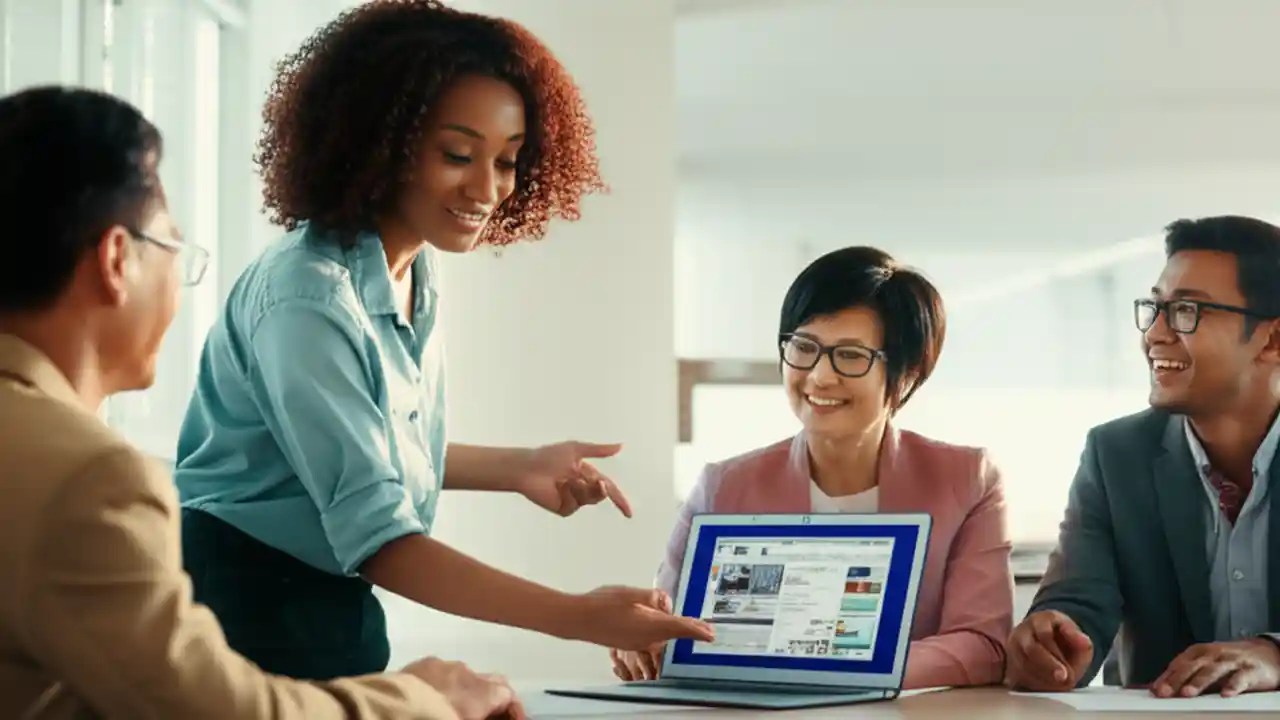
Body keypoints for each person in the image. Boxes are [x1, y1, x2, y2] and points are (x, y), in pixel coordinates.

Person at [173, 0, 712, 680]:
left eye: (509, 160)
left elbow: (364, 449)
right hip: (239, 607)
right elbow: (380, 539)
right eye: (458, 154)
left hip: (324, 602)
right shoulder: (306, 299)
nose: (487, 189)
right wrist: (578, 615)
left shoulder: (410, 270)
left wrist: (518, 467)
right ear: (380, 141)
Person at [0, 85, 529, 720]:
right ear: (116, 259)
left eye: (507, 160)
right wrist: (425, 697)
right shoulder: (89, 480)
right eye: (172, 248)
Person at [610, 246, 1015, 689]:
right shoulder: (723, 487)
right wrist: (643, 639)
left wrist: (833, 667)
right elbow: (666, 628)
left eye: (851, 355)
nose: (820, 376)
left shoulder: (967, 480)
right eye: (804, 347)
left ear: (907, 375)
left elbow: (982, 645)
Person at [1005, 215, 1280, 698]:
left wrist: (1274, 653)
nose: (1154, 334)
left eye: (1187, 310)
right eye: (1154, 308)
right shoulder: (1115, 456)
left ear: (1272, 340)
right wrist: (1052, 641)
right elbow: (1077, 604)